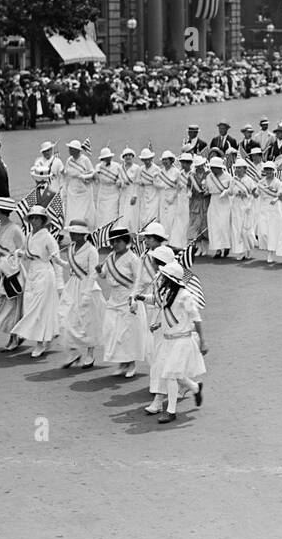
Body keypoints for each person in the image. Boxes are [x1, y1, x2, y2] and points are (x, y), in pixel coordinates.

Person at [144, 260, 208, 425]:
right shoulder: (167, 293)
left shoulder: (185, 296)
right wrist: (142, 298)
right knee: (175, 374)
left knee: (170, 375)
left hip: (182, 341)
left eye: (164, 277)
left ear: (171, 279)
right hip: (169, 340)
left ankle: (171, 411)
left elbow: (196, 319)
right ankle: (195, 388)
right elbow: (162, 307)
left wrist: (203, 342)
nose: (162, 279)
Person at [97, 225, 152, 377]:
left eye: (118, 241)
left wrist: (134, 297)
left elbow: (140, 280)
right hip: (114, 299)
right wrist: (99, 271)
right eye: (113, 242)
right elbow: (104, 276)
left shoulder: (133, 259)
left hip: (128, 299)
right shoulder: (110, 257)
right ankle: (121, 363)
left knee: (128, 334)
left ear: (126, 241)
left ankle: (131, 363)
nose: (115, 245)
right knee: (112, 331)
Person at [9, 206, 62, 358]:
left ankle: (40, 343)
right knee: (30, 305)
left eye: (37, 218)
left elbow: (55, 258)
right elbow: (28, 253)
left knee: (40, 309)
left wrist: (60, 282)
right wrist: (19, 254)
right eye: (32, 218)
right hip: (32, 273)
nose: (34, 221)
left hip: (45, 274)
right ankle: (46, 336)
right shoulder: (29, 235)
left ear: (43, 220)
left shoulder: (48, 237)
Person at [58, 219, 104, 368]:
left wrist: (86, 294)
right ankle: (74, 352)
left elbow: (92, 273)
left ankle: (90, 354)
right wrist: (58, 261)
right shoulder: (71, 248)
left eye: (76, 233)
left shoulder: (91, 250)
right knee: (65, 319)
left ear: (83, 235)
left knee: (88, 322)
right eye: (72, 232)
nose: (72, 235)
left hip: (87, 287)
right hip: (72, 286)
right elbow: (70, 267)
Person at [0, 197, 25, 351]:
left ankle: (14, 338)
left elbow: (22, 249)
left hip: (12, 273)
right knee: (3, 306)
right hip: (1, 271)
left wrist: (11, 259)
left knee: (13, 307)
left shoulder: (15, 229)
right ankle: (15, 335)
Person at [204, 156, 235, 258]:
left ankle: (226, 246)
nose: (212, 169)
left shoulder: (228, 177)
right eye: (211, 167)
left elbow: (232, 190)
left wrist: (226, 192)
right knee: (214, 226)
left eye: (214, 167)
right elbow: (208, 189)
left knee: (224, 225)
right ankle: (217, 249)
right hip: (213, 202)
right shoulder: (209, 177)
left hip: (225, 203)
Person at [64, 140, 95, 224]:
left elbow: (93, 173)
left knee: (84, 211)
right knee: (72, 210)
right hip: (72, 189)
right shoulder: (69, 160)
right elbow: (66, 175)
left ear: (77, 150)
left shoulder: (85, 160)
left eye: (71, 149)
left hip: (83, 190)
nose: (69, 150)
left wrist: (84, 176)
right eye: (69, 148)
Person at [93, 147, 123, 230]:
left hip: (113, 192)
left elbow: (121, 178)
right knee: (102, 213)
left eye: (109, 157)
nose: (108, 159)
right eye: (105, 158)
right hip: (103, 192)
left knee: (112, 212)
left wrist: (119, 181)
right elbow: (95, 180)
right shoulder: (98, 167)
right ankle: (101, 230)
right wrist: (95, 175)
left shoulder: (117, 166)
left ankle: (112, 230)